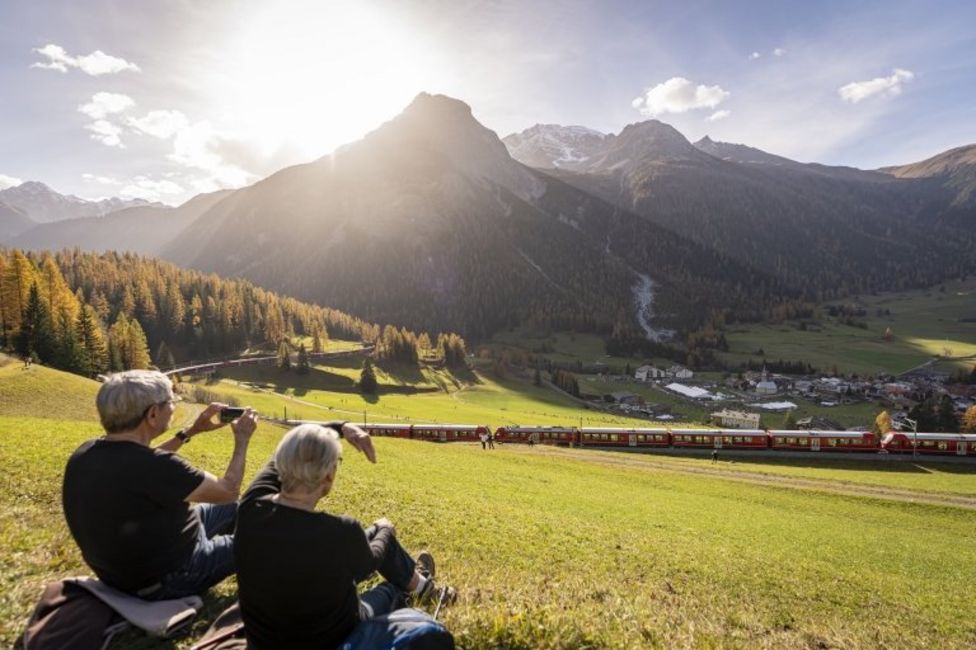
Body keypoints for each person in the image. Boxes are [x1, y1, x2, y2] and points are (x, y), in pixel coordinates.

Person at [235, 423, 445, 649]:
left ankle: (421, 582)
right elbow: (371, 561)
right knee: (390, 589)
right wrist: (384, 529)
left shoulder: (250, 507)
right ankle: (421, 587)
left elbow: (293, 447)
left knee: (372, 538)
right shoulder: (340, 532)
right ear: (329, 475)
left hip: (264, 642)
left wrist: (341, 427)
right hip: (336, 638)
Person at [62, 369, 260, 600]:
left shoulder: (86, 452)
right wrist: (242, 439)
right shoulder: (158, 466)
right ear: (153, 414)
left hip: (121, 575)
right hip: (171, 576)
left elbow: (141, 464)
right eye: (170, 401)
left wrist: (192, 431)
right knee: (262, 534)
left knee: (247, 509)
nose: (174, 406)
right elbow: (228, 491)